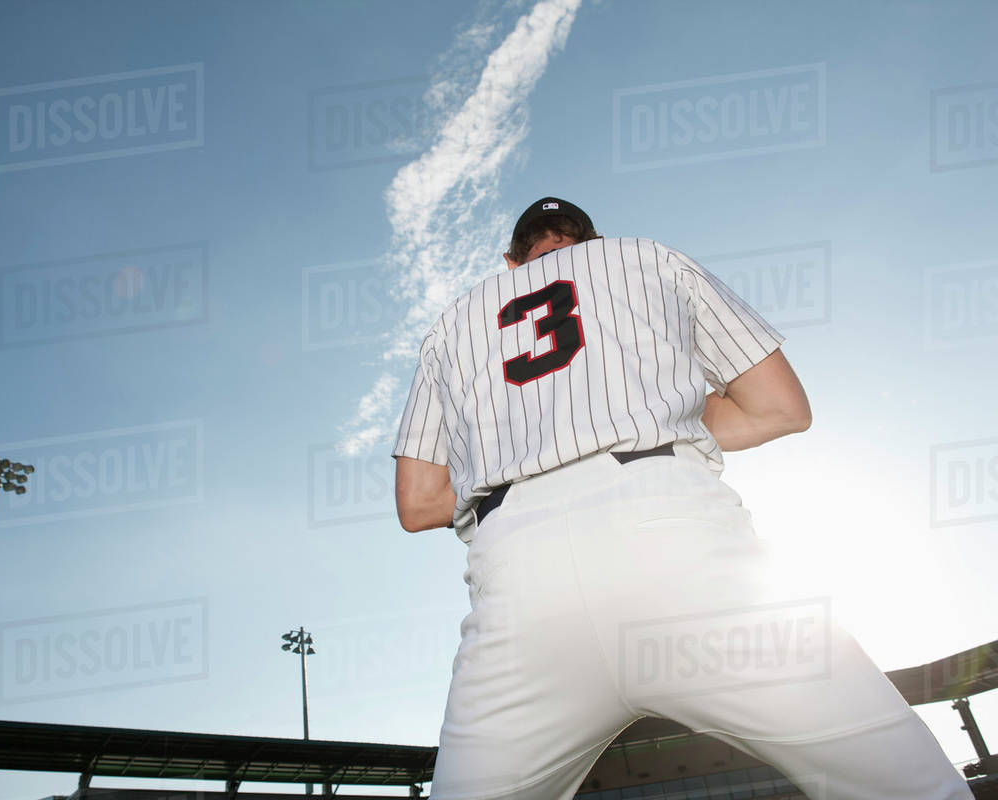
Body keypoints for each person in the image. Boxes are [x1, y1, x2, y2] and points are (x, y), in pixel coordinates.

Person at [390, 197, 971, 800]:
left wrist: (527, 454)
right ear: (593, 240)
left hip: (517, 571)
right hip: (669, 533)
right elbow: (781, 409)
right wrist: (655, 416)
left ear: (511, 261)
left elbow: (419, 502)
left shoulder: (453, 321)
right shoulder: (645, 257)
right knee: (909, 786)